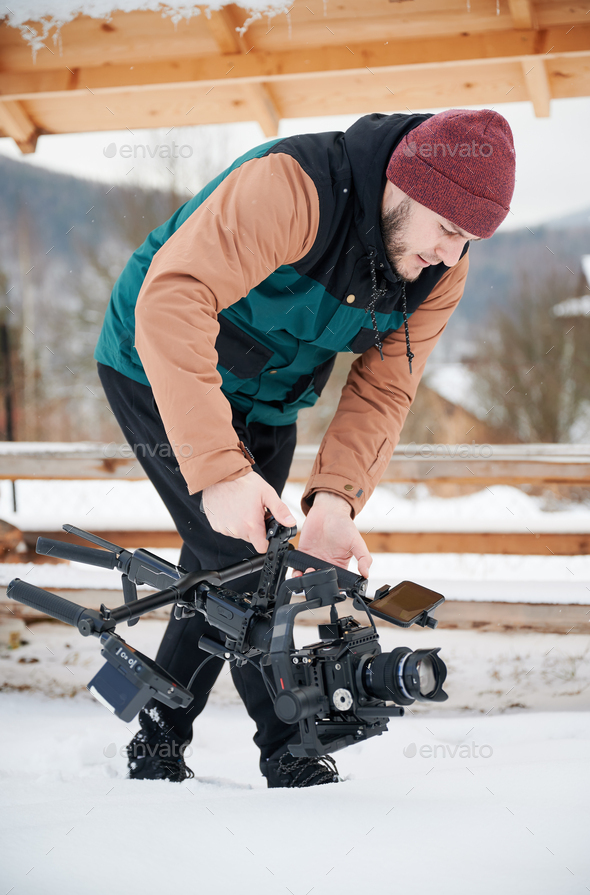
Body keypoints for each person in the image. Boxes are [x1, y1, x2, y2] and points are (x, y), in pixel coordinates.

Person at [94, 108, 515, 787]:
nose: (451, 253)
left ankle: (153, 725)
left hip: (268, 397)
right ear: (407, 186)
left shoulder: (443, 268)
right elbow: (172, 300)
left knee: (224, 562)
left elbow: (385, 389)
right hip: (156, 361)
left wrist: (336, 499)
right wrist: (220, 469)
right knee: (243, 563)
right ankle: (289, 742)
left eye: (469, 240)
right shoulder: (294, 187)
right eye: (447, 229)